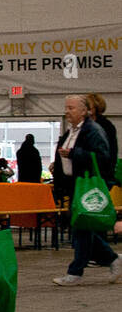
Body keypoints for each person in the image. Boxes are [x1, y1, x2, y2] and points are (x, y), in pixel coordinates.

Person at [51, 94, 119, 286]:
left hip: (88, 186)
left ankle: (75, 272)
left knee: (81, 228)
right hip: (74, 185)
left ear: (84, 111)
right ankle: (112, 259)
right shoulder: (71, 131)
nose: (67, 111)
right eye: (66, 107)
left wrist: (74, 153)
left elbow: (103, 157)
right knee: (82, 228)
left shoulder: (93, 130)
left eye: (71, 108)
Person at [86, 94, 118, 178]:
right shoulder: (85, 124)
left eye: (88, 105)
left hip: (103, 170)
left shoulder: (106, 125)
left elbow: (111, 150)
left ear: (96, 107)